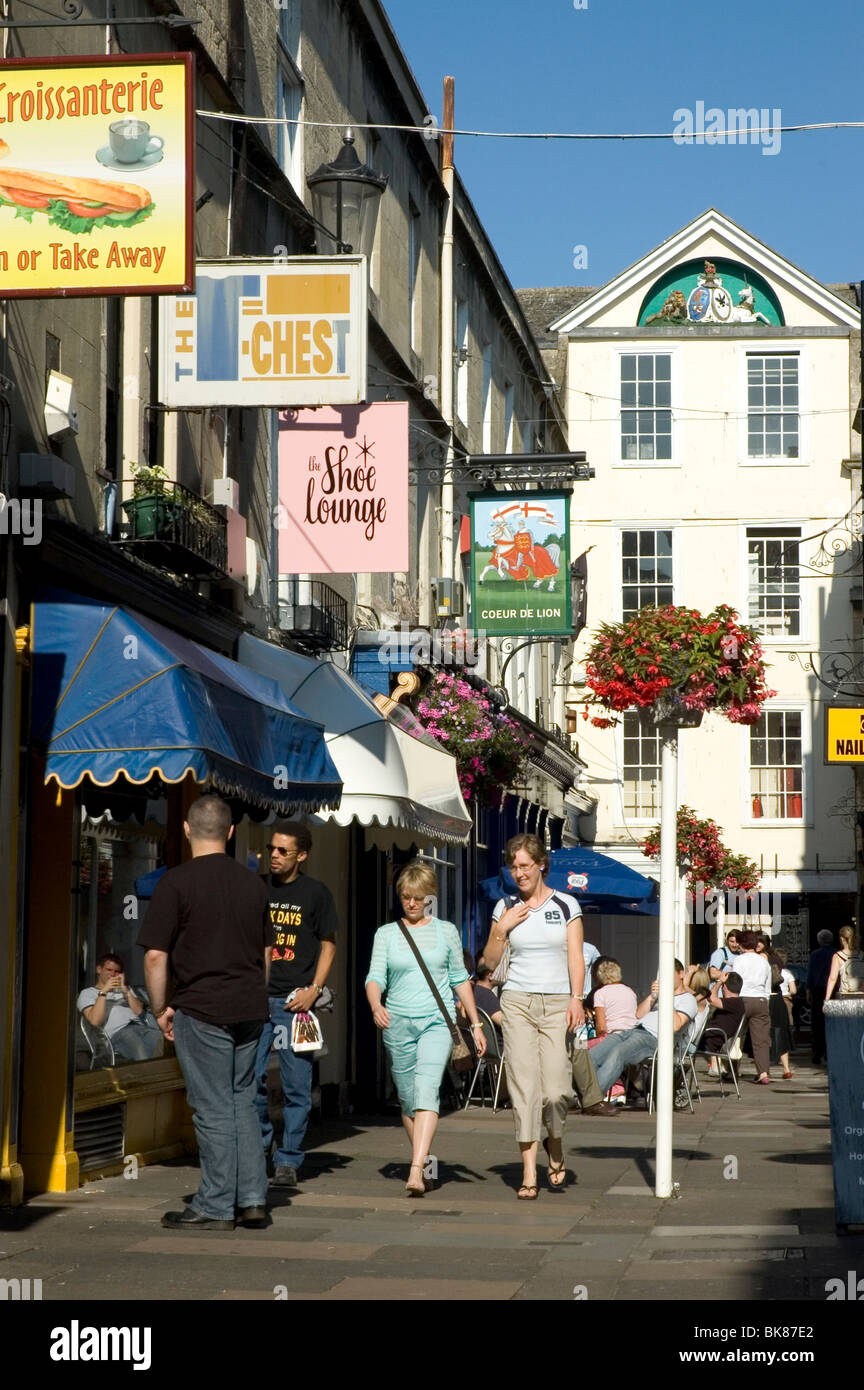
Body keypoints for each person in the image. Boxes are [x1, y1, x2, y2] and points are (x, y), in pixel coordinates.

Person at [139, 795, 273, 1231]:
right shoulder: (254, 884)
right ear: (231, 832)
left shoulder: (175, 883)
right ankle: (252, 1199)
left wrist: (160, 1008)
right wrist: (255, 993)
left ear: (185, 829)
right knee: (241, 1102)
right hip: (250, 1006)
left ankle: (215, 1205)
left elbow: (156, 956)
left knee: (213, 1107)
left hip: (203, 1006)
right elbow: (267, 953)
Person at [366, 861, 484, 1196]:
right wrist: (376, 1005)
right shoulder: (386, 934)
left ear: (429, 896)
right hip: (398, 1023)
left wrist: (475, 1023)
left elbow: (460, 979)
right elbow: (375, 977)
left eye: (419, 897)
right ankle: (427, 1159)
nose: (413, 903)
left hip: (437, 1020)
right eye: (406, 897)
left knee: (427, 1089)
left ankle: (416, 1169)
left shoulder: (446, 931)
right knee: (408, 1101)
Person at [481, 834, 586, 1199]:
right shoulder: (504, 906)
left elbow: (576, 956)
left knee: (557, 1091)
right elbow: (488, 963)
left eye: (525, 865)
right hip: (517, 1002)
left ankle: (554, 1143)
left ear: (541, 864)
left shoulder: (567, 904)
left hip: (559, 1003)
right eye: (514, 866)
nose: (519, 873)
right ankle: (529, 1172)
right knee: (524, 1087)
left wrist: (577, 998)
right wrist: (502, 927)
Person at [254, 822, 339, 1189]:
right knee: (249, 1079)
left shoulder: (316, 893)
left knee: (296, 1085)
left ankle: (288, 1160)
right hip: (255, 1000)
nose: (274, 855)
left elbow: (328, 944)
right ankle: (260, 1149)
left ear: (301, 855)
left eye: (282, 851)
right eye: (271, 848)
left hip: (296, 1005)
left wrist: (314, 990)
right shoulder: (255, 888)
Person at [586, 960, 699, 1098]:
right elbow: (638, 1014)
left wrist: (667, 997)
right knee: (593, 1054)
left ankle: (592, 1098)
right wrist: (653, 997)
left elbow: (676, 1025)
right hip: (633, 1030)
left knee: (618, 1053)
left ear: (681, 974)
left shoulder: (688, 1000)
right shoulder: (659, 997)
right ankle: (580, 1094)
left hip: (654, 1039)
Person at [77, 954, 162, 1063]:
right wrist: (104, 991)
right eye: (109, 970)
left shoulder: (126, 990)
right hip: (119, 1033)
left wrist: (124, 989)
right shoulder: (88, 993)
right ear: (99, 969)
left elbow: (139, 1012)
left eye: (116, 971)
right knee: (141, 1052)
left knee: (162, 1042)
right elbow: (95, 1020)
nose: (112, 974)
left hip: (141, 1027)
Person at [730, 929, 772, 1083]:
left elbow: (735, 982)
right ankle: (763, 1073)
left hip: (742, 999)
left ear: (742, 944)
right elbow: (767, 985)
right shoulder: (763, 961)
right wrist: (765, 999)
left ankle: (732, 1071)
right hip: (760, 1000)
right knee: (761, 1040)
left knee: (735, 1036)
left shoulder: (739, 960)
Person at [806, 929, 835, 1063]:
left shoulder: (815, 955)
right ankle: (830, 1052)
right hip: (832, 990)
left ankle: (817, 1053)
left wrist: (808, 990)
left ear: (819, 941)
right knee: (832, 1022)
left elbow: (810, 974)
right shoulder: (836, 954)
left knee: (817, 1023)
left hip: (817, 990)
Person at [824, 924, 864, 1002]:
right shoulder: (862, 955)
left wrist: (827, 999)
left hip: (845, 996)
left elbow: (832, 979)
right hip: (861, 996)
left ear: (842, 939)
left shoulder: (838, 956)